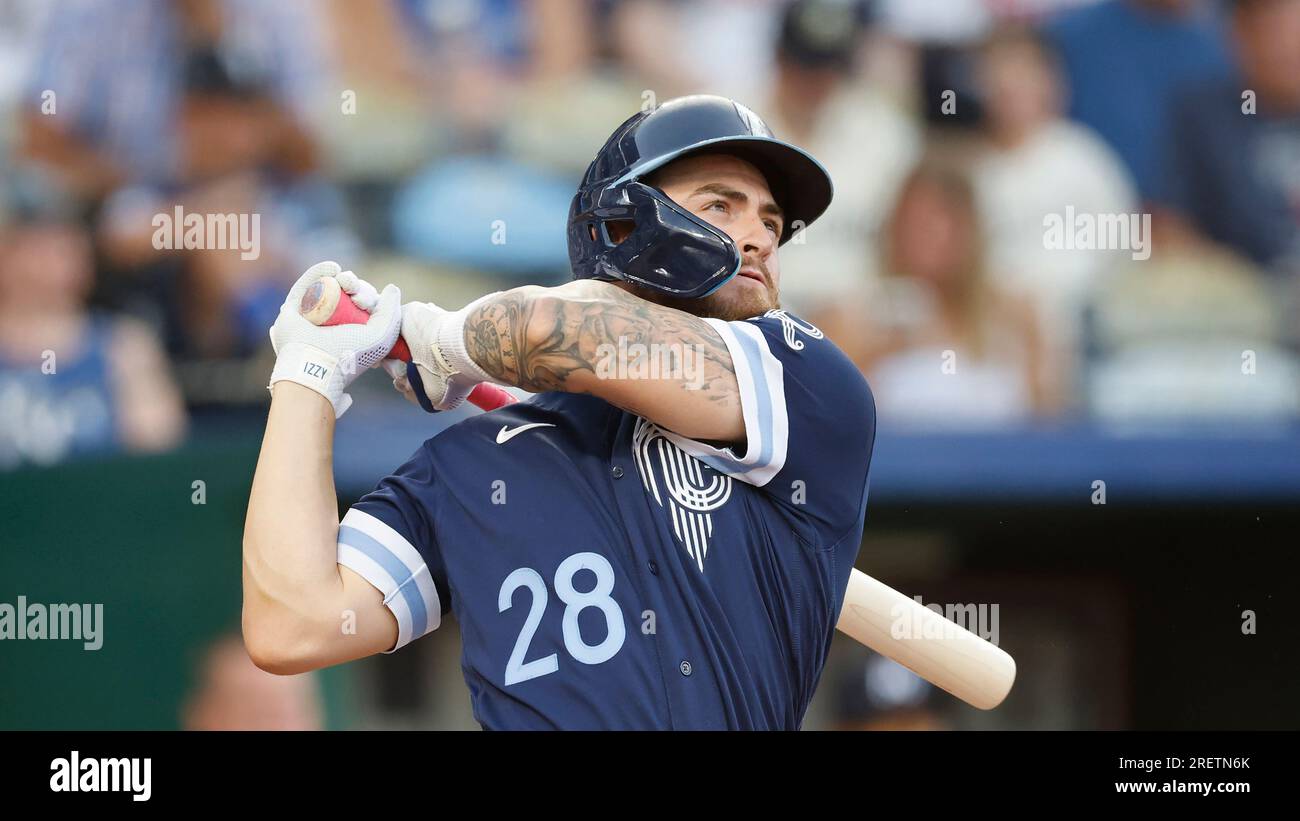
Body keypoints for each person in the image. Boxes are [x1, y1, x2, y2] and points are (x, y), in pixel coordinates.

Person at [242, 95, 877, 730]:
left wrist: (440, 341)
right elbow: (293, 627)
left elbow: (549, 330)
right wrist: (309, 372)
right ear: (622, 227)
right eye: (720, 205)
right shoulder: (472, 467)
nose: (759, 238)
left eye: (771, 222)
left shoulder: (806, 383)